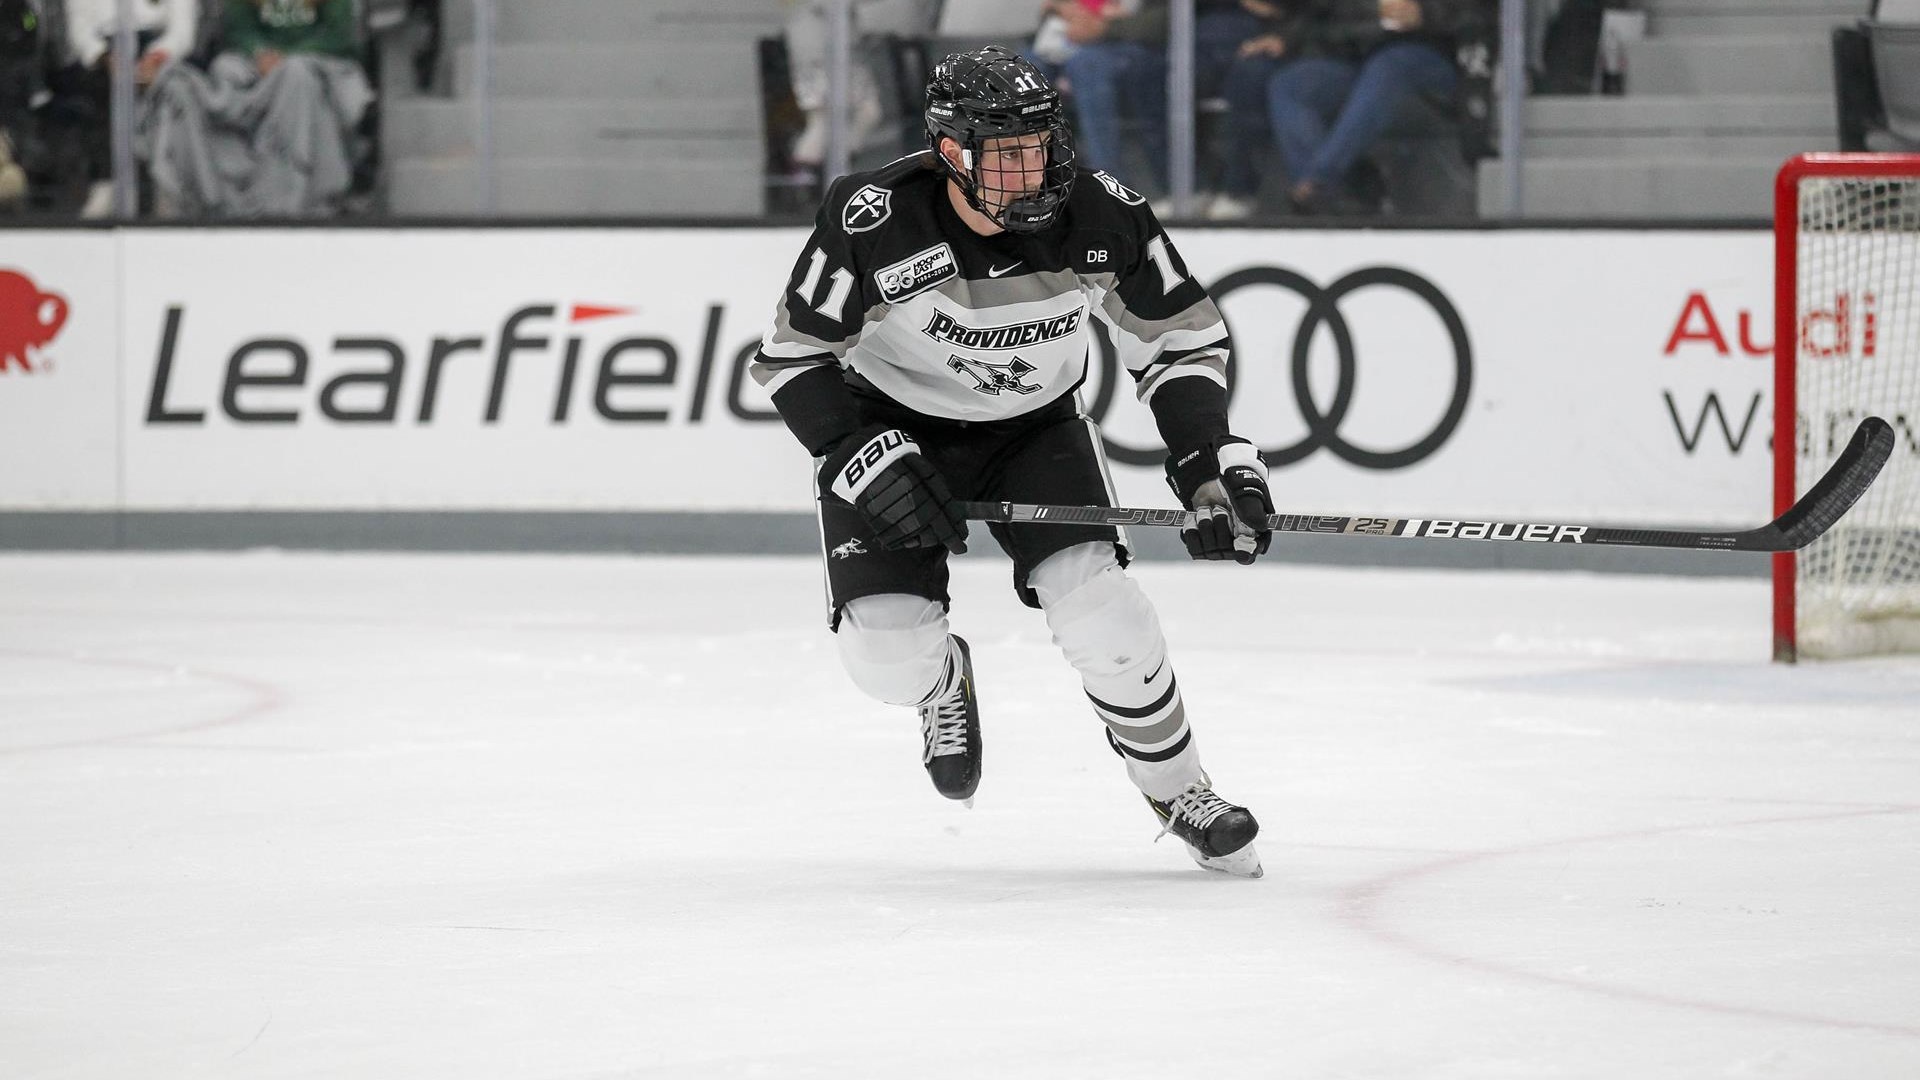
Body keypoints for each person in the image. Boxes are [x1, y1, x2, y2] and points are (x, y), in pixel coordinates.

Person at [751, 45, 1273, 877]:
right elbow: (791, 359)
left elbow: (1177, 340)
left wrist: (1208, 458)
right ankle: (939, 681)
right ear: (950, 151)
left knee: (1106, 615)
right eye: (1006, 151)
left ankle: (1181, 791)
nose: (1030, 168)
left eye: (1039, 143)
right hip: (891, 430)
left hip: (1034, 431)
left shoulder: (1104, 214)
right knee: (886, 656)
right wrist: (857, 455)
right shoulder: (874, 217)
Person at [1265, 0, 1469, 214]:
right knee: (1291, 84)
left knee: (1390, 65)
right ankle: (1341, 191)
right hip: (1364, 57)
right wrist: (1375, 12)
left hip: (1438, 57)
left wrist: (1424, 13)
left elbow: (1482, 12)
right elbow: (1327, 16)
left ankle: (1319, 181)